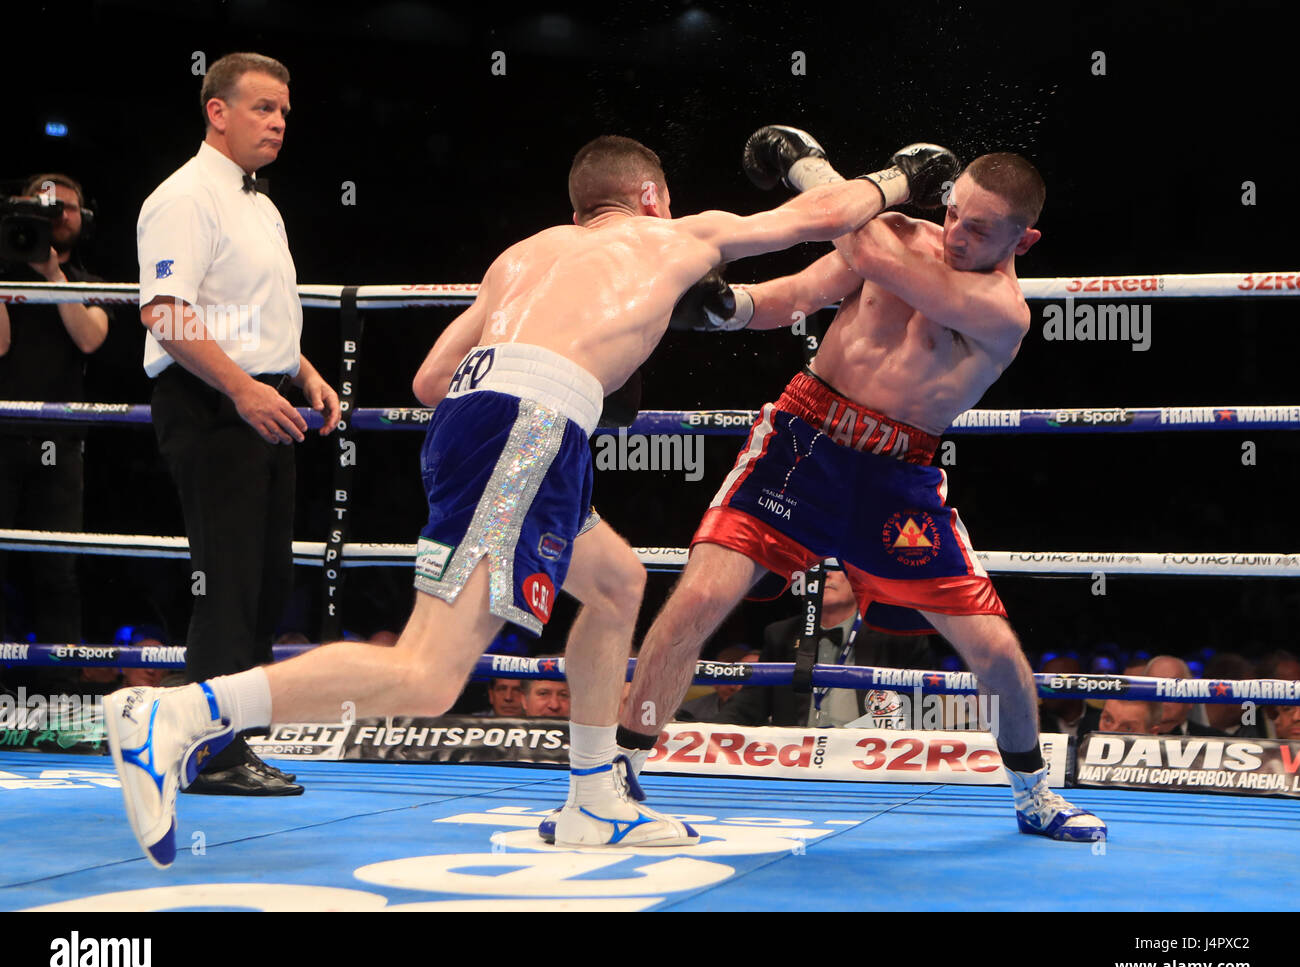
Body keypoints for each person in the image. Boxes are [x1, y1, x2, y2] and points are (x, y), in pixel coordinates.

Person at [105, 128, 948, 866]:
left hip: (492, 423)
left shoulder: (521, 256)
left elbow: (432, 379)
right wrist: (906, 174)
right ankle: (182, 713)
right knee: (429, 674)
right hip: (528, 427)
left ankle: (592, 801)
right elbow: (820, 217)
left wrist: (564, 368)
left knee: (615, 583)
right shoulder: (674, 236)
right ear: (651, 196)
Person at [616, 132, 1106, 842]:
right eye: (954, 213)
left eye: (980, 229)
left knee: (996, 650)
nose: (957, 235)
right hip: (803, 438)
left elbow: (867, 249)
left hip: (898, 478)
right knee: (698, 594)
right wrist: (734, 307)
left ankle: (1034, 794)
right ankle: (623, 768)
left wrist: (816, 167)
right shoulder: (901, 232)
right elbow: (805, 292)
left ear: (1023, 241)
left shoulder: (1003, 312)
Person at [135, 52, 340, 797]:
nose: (279, 122)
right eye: (263, 108)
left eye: (284, 111)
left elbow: (252, 317)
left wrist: (300, 370)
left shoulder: (261, 204)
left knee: (263, 584)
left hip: (263, 403)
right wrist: (243, 388)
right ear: (217, 111)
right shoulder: (184, 197)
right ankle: (206, 752)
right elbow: (165, 313)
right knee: (225, 582)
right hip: (213, 406)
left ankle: (233, 745)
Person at [0, 174, 109, 667]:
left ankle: (60, 690)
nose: (53, 215)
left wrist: (50, 274)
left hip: (59, 443)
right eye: (42, 207)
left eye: (64, 208)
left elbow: (90, 338)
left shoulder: (87, 284)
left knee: (56, 569)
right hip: (3, 434)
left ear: (81, 220)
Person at [713, 570, 931, 727]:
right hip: (798, 765)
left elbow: (920, 710)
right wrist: (697, 736)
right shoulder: (780, 635)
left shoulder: (897, 637)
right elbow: (748, 706)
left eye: (836, 566)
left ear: (860, 577)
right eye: (817, 566)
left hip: (874, 763)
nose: (825, 574)